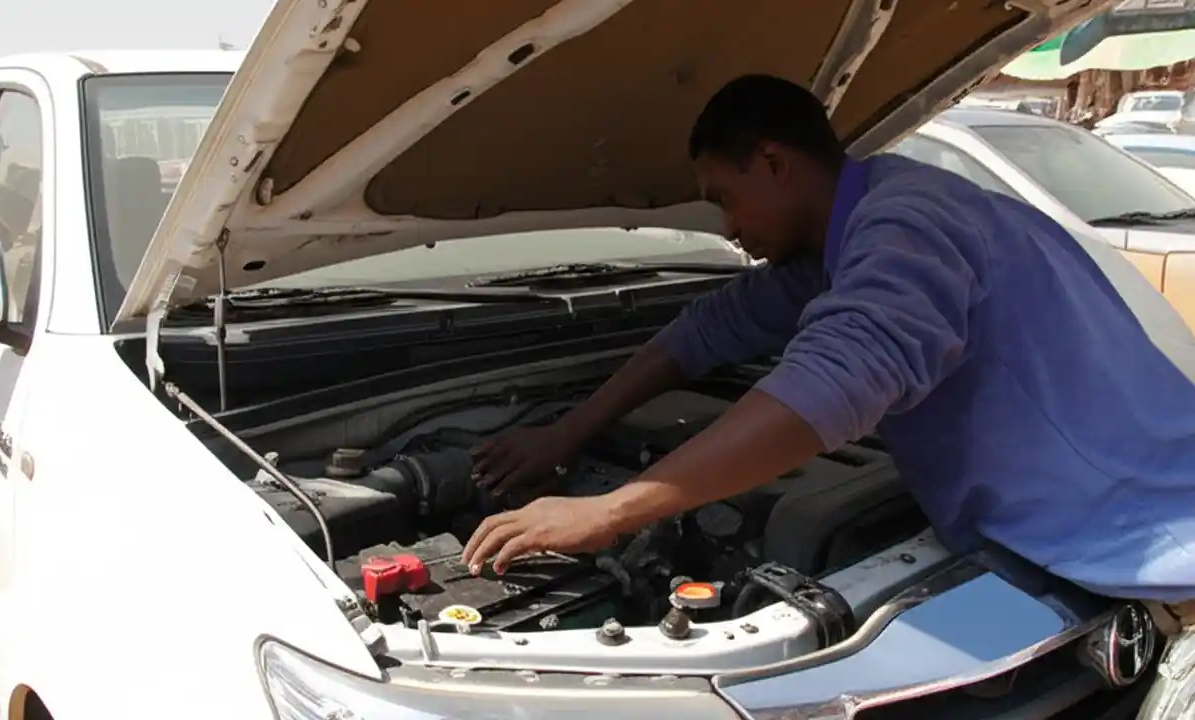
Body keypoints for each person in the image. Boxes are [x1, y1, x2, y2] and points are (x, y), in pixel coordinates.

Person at [461, 74, 1195, 634]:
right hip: (1089, 553)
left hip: (1158, 555)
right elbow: (704, 332)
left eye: (724, 199)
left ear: (774, 163)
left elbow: (830, 384)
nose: (728, 229)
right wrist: (568, 434)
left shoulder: (905, 225)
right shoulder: (846, 236)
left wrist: (611, 511)